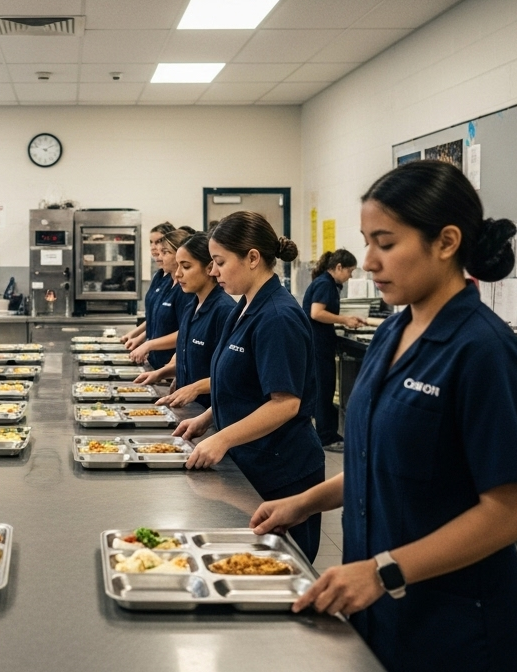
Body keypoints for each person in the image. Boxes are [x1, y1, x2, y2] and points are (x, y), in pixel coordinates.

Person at [252, 161, 517, 672]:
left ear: (446, 242)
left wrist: (383, 572)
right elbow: (375, 458)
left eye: (385, 243)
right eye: (366, 242)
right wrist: (301, 503)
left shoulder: (484, 352)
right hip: (381, 611)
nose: (368, 262)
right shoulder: (393, 332)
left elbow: (509, 512)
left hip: (454, 627)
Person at [173, 212, 324, 560]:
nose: (213, 272)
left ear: (253, 258)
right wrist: (208, 418)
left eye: (220, 262)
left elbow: (285, 403)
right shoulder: (244, 307)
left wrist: (222, 437)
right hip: (251, 460)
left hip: (282, 468)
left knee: (278, 568)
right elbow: (242, 384)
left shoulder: (278, 316)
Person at [136, 232, 236, 409]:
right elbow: (190, 357)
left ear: (209, 267)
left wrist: (195, 388)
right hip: (188, 407)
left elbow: (232, 374)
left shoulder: (224, 310)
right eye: (179, 266)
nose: (178, 273)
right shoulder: (192, 305)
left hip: (210, 410)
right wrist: (164, 373)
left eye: (186, 266)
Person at [302, 249, 366, 452]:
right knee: (323, 389)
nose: (351, 276)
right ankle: (325, 436)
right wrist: (344, 320)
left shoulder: (327, 283)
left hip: (320, 344)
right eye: (350, 271)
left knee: (325, 387)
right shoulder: (325, 284)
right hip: (318, 345)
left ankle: (328, 433)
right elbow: (317, 312)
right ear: (338, 267)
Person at [129, 229, 195, 369]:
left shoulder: (186, 290)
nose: (158, 255)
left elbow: (186, 333)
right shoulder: (166, 282)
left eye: (165, 252)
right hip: (158, 364)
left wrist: (149, 344)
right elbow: (157, 321)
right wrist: (140, 339)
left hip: (170, 368)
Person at [121, 221, 177, 350]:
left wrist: (147, 345)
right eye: (151, 242)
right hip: (154, 353)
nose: (153, 247)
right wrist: (136, 337)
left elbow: (182, 331)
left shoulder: (176, 282)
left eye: (158, 242)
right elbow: (154, 319)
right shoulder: (159, 276)